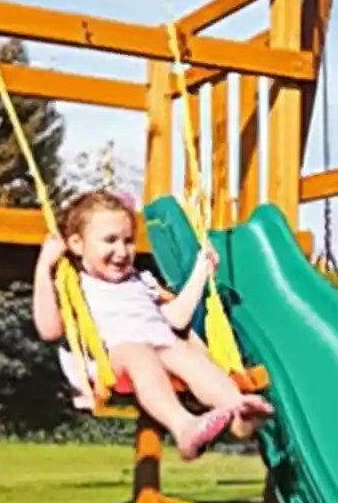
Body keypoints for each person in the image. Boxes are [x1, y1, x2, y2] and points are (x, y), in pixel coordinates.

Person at [32, 189, 273, 461]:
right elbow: (49, 330)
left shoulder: (141, 281)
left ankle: (238, 409)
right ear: (77, 244)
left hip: (159, 347)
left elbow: (177, 318)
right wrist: (44, 266)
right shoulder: (75, 285)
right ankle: (183, 426)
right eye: (110, 240)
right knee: (138, 353)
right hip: (113, 360)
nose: (122, 251)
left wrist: (201, 272)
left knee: (183, 351)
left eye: (128, 241)